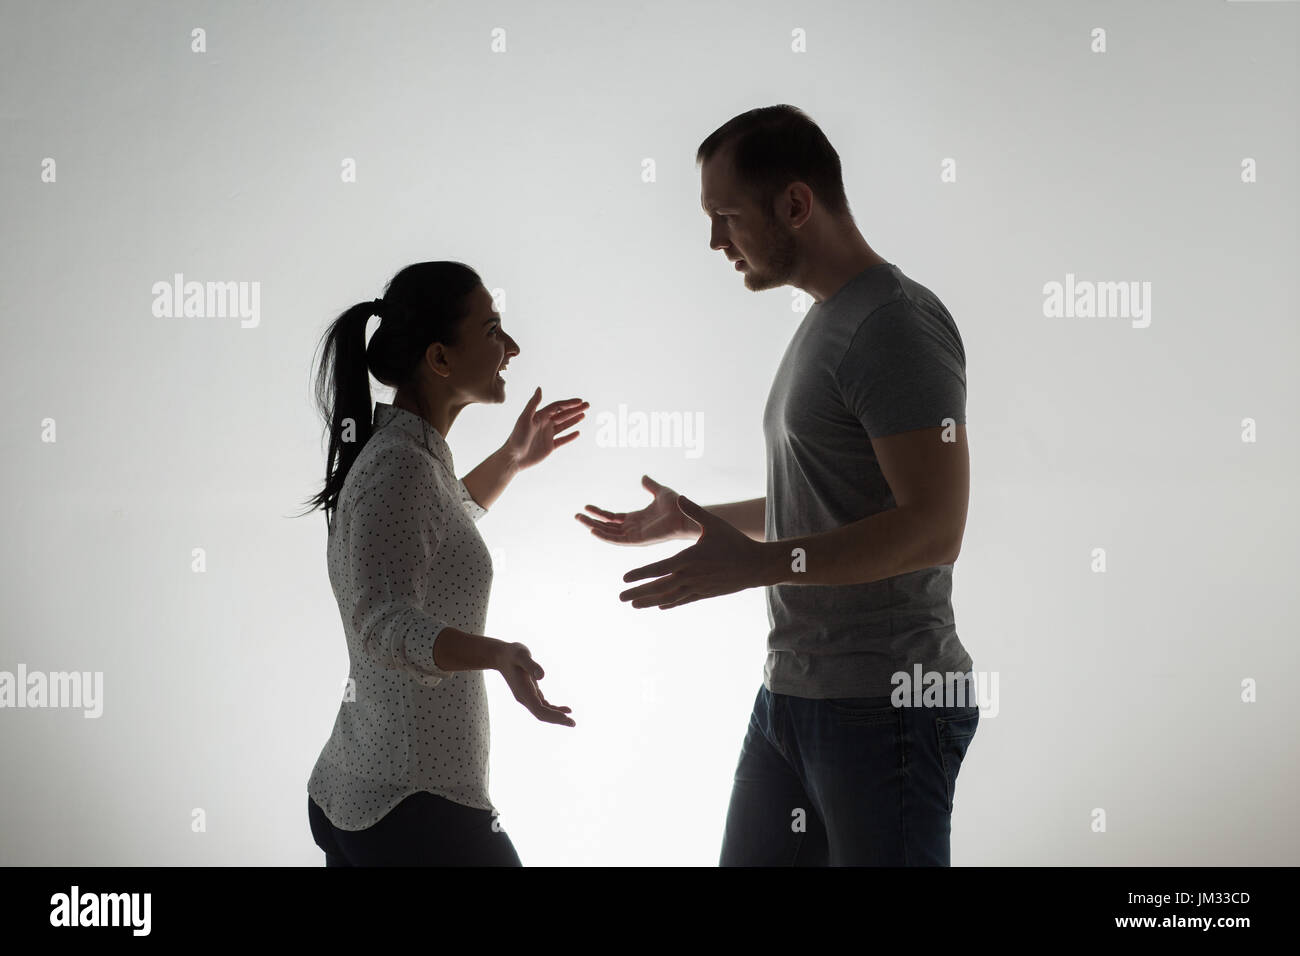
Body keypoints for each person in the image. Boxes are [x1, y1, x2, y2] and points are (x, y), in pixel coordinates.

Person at [577, 105, 980, 866]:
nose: (713, 240)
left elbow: (934, 527)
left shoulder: (895, 327)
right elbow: (835, 499)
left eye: (725, 216)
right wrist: (693, 522)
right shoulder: (829, 318)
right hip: (794, 695)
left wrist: (757, 564)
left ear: (796, 205)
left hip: (887, 703)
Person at [297, 261, 584, 865]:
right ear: (440, 359)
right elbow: (381, 623)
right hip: (412, 806)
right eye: (492, 329)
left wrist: (511, 458)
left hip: (369, 792)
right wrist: (494, 653)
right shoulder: (398, 466)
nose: (511, 347)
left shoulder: (410, 459)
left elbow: (438, 522)